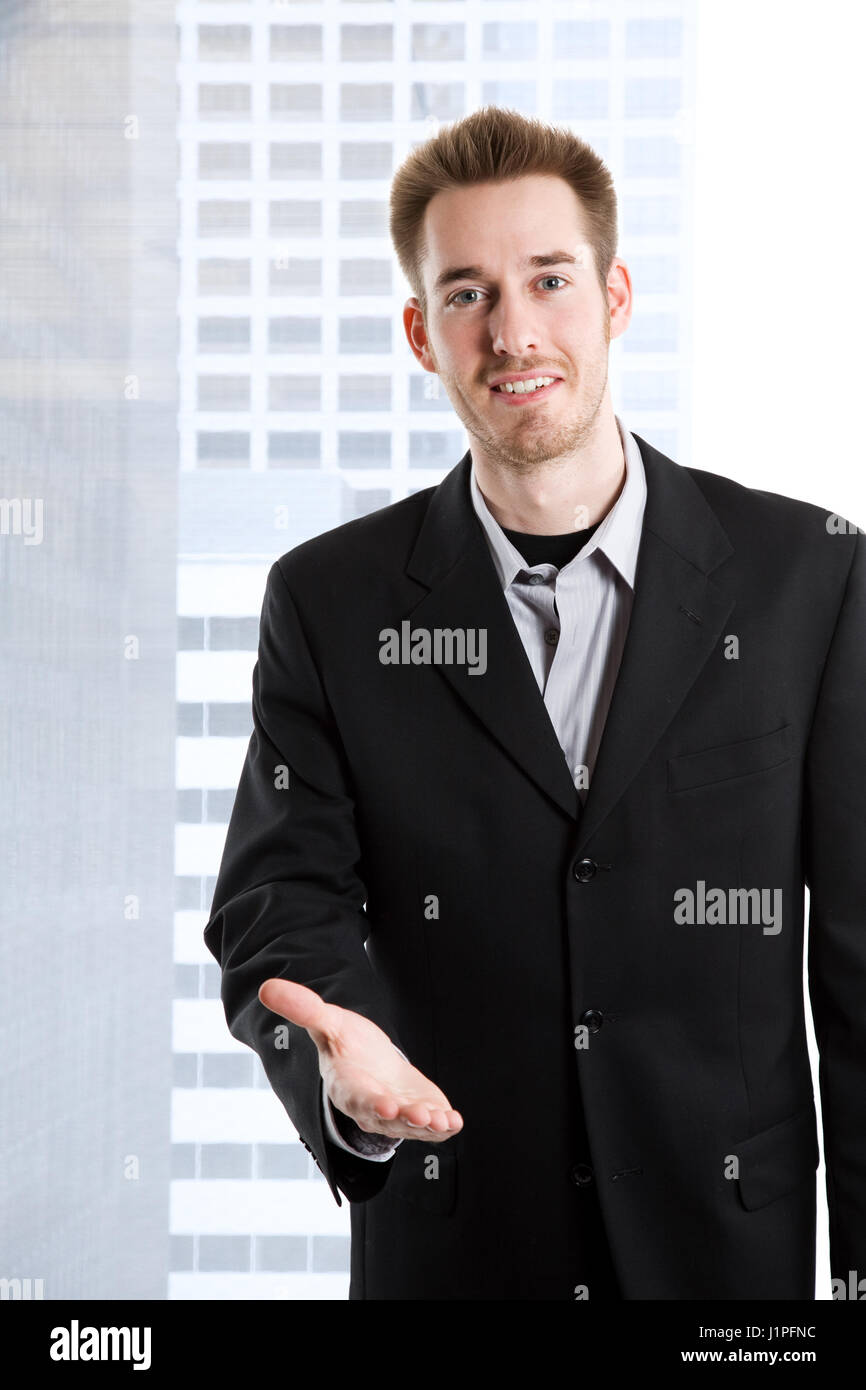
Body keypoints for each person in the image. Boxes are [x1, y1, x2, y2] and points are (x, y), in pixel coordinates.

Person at [204, 106, 865, 1300]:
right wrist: (331, 1070)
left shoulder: (806, 574)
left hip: (723, 1266)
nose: (512, 331)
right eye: (465, 294)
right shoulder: (327, 600)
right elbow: (278, 900)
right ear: (420, 331)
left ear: (612, 297)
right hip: (452, 1248)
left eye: (547, 279)